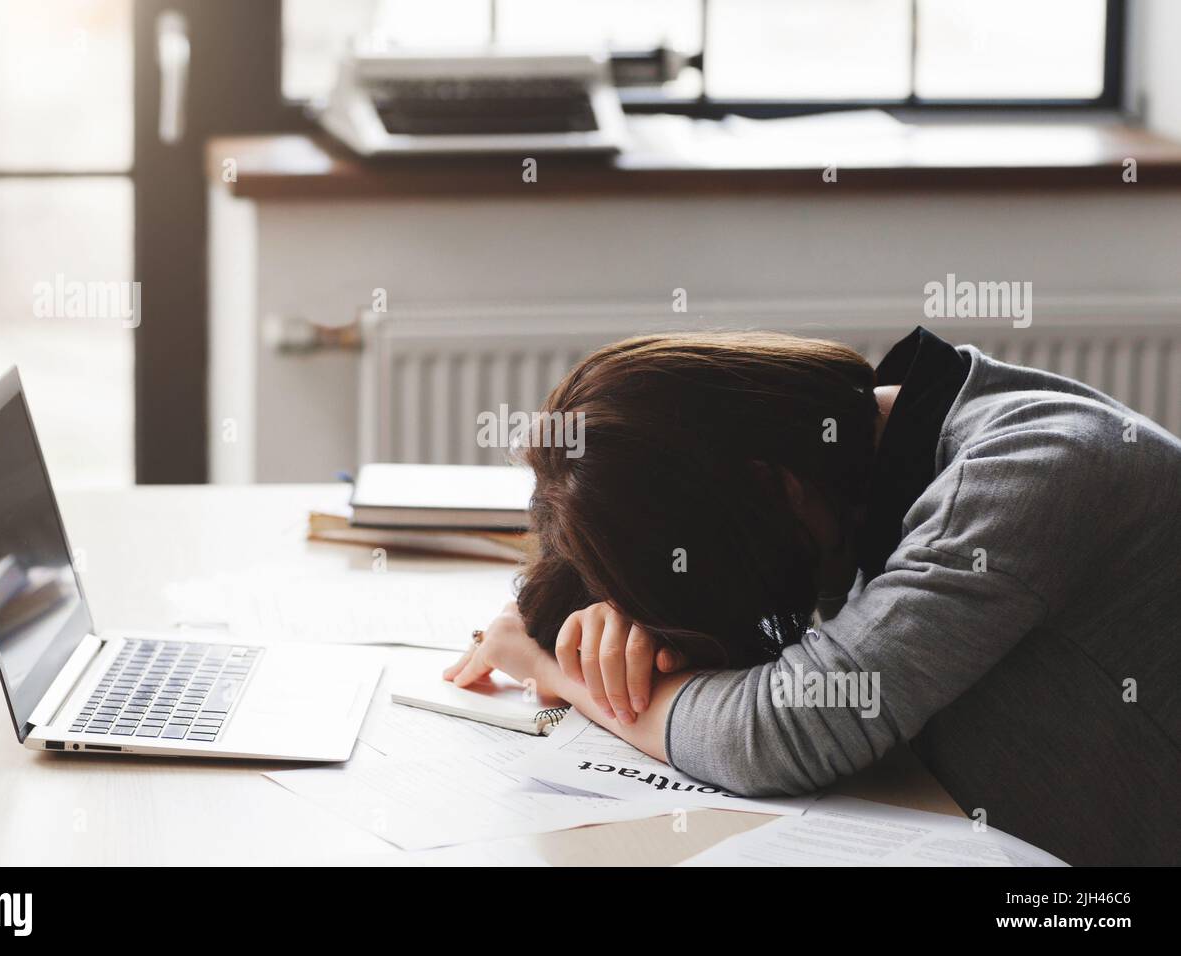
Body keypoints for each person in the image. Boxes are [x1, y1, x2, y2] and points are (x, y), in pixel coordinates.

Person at [444, 326, 1181, 865]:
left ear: (774, 488)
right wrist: (600, 622)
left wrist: (557, 673)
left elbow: (784, 730)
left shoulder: (1030, 473)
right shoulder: (862, 473)